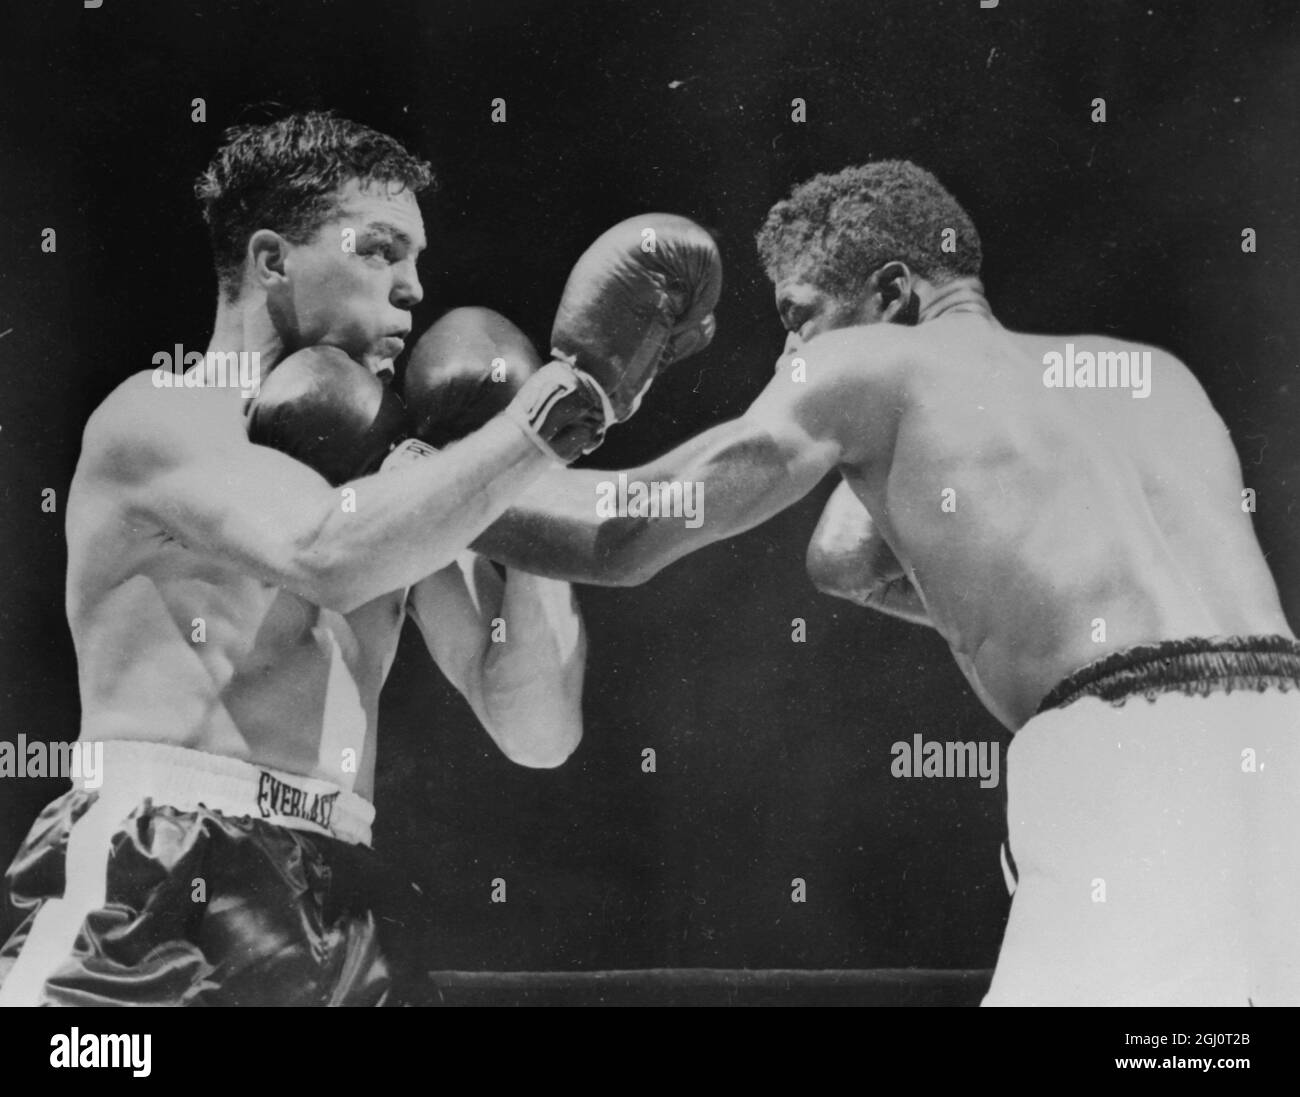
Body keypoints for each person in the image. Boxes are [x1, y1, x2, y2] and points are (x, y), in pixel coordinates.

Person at [475, 160, 1300, 1005]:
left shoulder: (861, 368)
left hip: (1126, 759)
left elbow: (625, 533)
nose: (790, 354)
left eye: (797, 317)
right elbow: (844, 560)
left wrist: (437, 483)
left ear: (893, 292)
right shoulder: (1150, 376)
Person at [0, 111, 720, 1006]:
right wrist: (533, 427)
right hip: (155, 869)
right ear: (272, 260)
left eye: (417, 258)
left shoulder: (404, 482)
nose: (415, 288)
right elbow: (327, 553)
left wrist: (530, 474)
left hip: (344, 891)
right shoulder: (161, 414)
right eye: (380, 250)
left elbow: (533, 729)